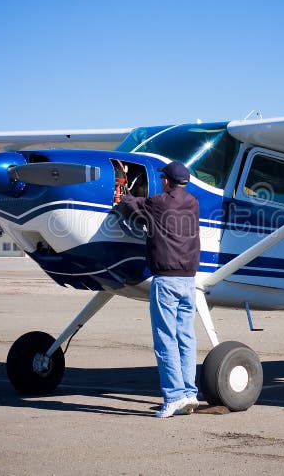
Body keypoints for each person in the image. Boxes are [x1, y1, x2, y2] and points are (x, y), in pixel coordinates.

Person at [118, 161, 201, 418]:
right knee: (185, 339)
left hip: (166, 281)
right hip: (190, 281)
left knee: (165, 340)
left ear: (166, 181)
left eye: (162, 178)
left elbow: (129, 208)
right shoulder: (193, 203)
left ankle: (173, 397)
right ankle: (189, 393)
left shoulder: (158, 203)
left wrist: (123, 190)